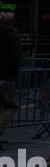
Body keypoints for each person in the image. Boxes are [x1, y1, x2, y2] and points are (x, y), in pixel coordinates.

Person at [0, 10, 22, 145]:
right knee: (10, 106)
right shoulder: (12, 36)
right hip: (5, 76)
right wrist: (13, 74)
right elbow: (15, 58)